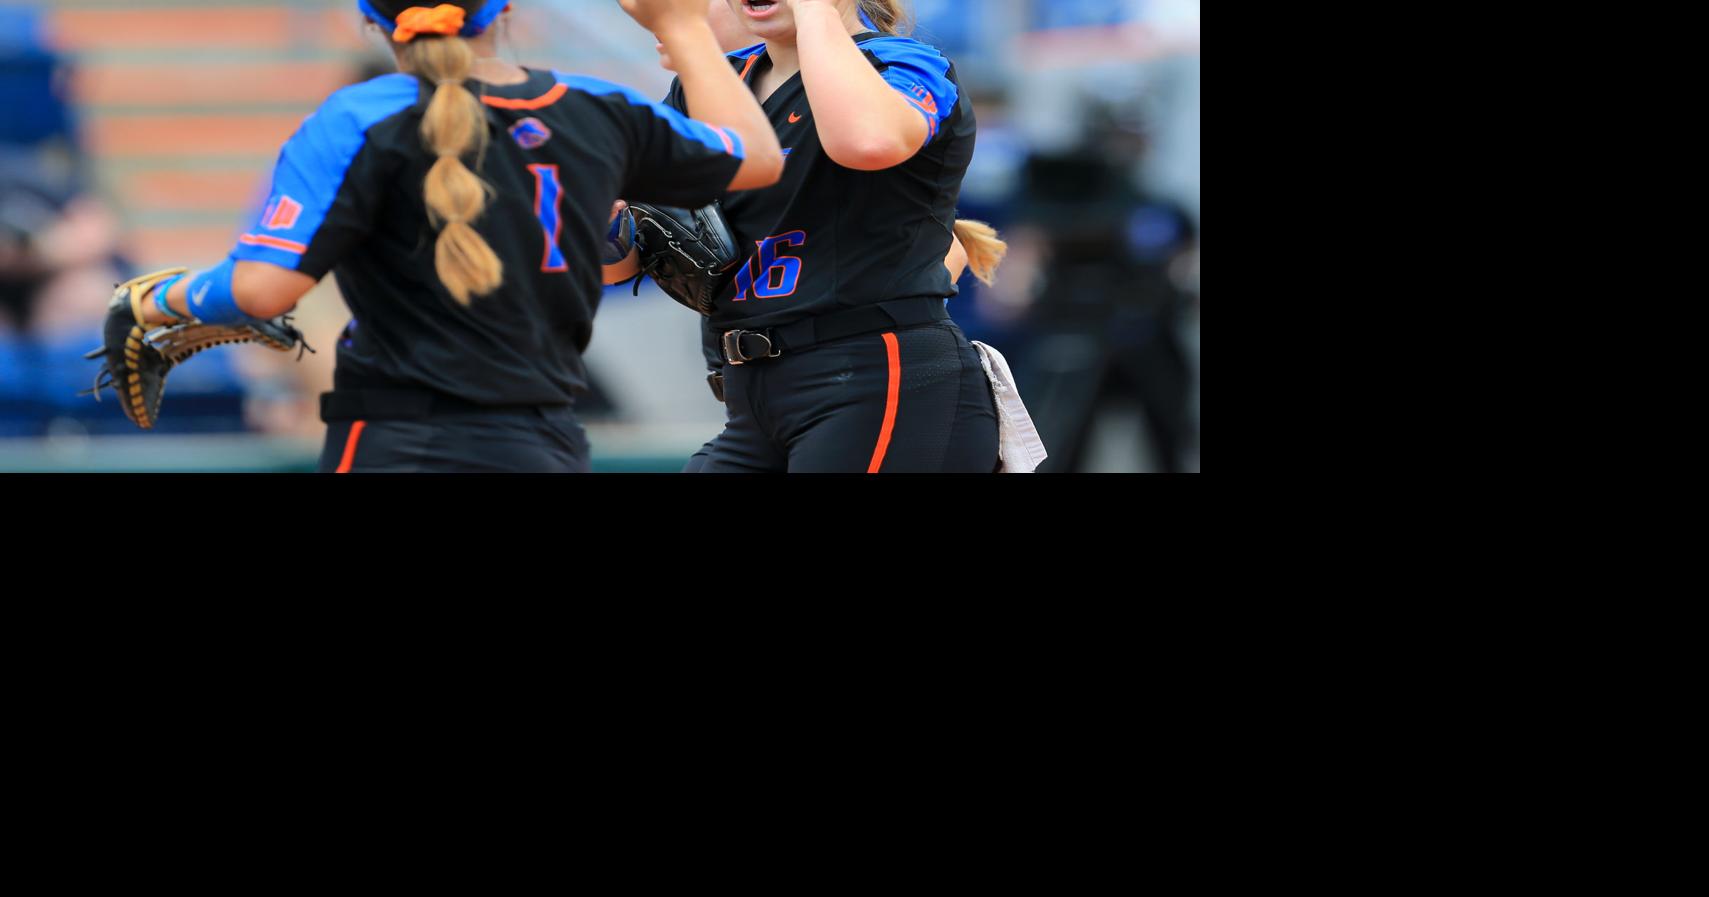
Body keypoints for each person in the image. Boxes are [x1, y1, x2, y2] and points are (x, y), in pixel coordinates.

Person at [109, 0, 782, 472]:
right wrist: (682, 26)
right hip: (545, 436)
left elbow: (260, 289)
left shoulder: (359, 116)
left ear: (374, 22)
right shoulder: (595, 109)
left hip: (398, 437)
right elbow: (757, 158)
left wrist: (155, 299)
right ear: (507, 12)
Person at [607, 0, 1002, 473]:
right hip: (751, 398)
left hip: (877, 380)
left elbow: (867, 142)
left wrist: (815, 8)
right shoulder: (717, 85)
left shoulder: (901, 62)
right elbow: (620, 263)